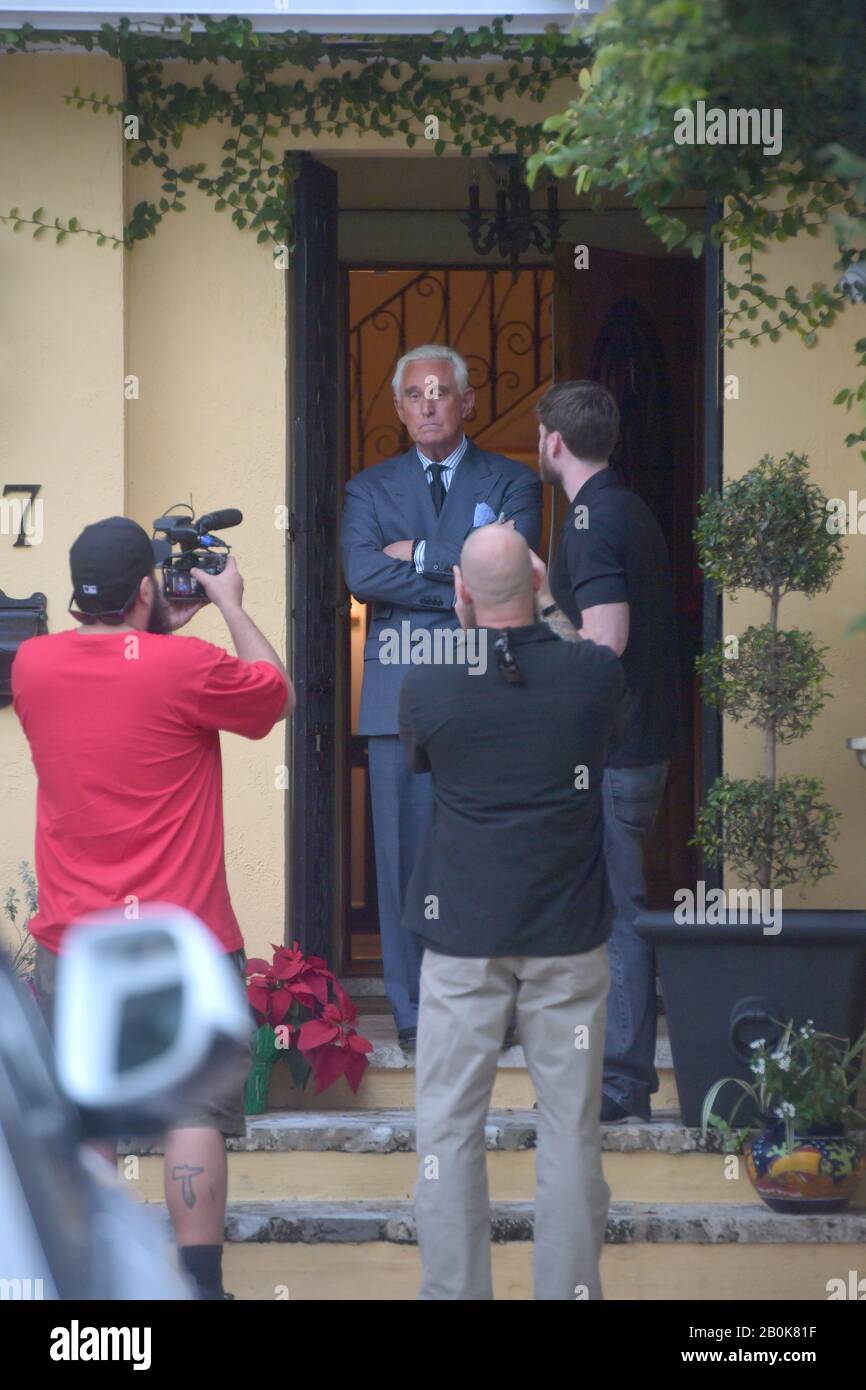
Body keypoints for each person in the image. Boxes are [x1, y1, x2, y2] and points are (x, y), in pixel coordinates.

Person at [12, 516, 293, 1300]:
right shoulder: (187, 666)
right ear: (148, 589)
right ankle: (198, 1286)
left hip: (77, 936)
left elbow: (112, 670)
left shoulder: (34, 666)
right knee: (191, 1110)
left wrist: (154, 633)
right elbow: (275, 694)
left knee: (90, 1117)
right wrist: (230, 604)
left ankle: (97, 1283)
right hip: (184, 936)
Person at [400, 524, 629, 1300]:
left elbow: (427, 756)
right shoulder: (593, 675)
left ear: (460, 592)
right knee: (570, 1131)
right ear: (535, 583)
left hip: (462, 938)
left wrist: (478, 626)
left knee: (447, 1128)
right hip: (567, 940)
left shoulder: (428, 684)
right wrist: (552, 599)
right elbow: (588, 668)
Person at [340, 344, 542, 1050]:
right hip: (398, 695)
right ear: (399, 408)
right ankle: (416, 1012)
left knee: (490, 852)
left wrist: (417, 556)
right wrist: (459, 564)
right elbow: (363, 574)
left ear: (467, 403)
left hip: (488, 689)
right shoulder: (368, 488)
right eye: (415, 394)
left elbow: (510, 569)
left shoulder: (513, 481)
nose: (428, 403)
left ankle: (488, 1008)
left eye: (441, 391)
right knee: (401, 860)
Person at [532, 380, 681, 1124]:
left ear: (553, 442)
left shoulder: (590, 521)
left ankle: (624, 1080)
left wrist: (541, 613)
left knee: (619, 914)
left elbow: (606, 643)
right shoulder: (625, 506)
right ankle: (613, 1070)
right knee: (612, 908)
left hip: (618, 753)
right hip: (638, 746)